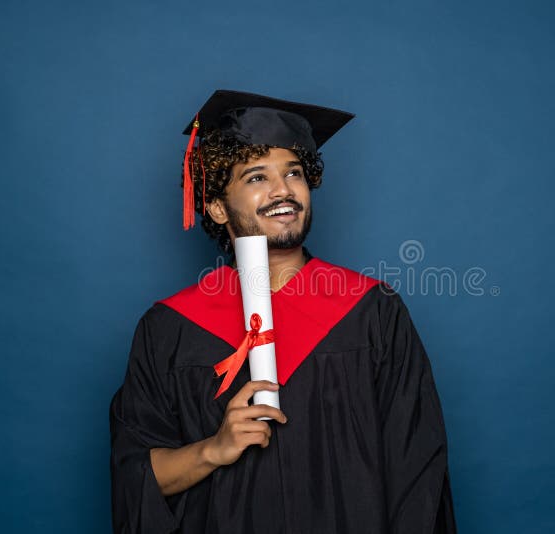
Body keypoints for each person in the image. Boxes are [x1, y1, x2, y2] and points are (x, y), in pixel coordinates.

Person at [109, 89, 456, 533]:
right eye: (256, 177)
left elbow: (418, 474)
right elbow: (138, 476)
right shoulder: (170, 328)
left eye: (294, 173)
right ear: (216, 207)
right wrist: (212, 449)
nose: (282, 190)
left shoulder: (372, 312)